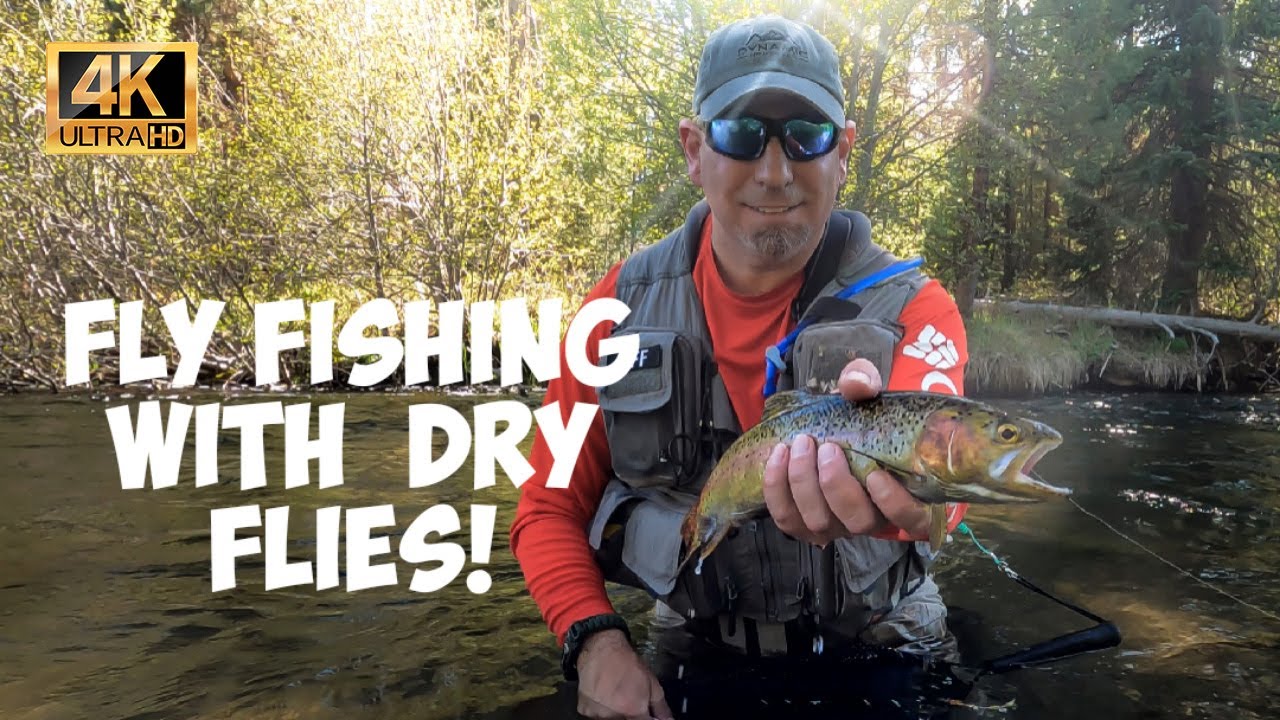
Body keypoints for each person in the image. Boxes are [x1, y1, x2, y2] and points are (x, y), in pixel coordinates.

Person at [510, 14, 970, 720]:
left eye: (807, 137)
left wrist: (915, 507)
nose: (776, 171)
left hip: (885, 640)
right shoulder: (612, 309)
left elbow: (953, 470)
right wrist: (596, 641)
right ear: (695, 150)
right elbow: (548, 508)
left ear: (843, 152)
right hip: (695, 639)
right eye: (741, 134)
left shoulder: (918, 310)